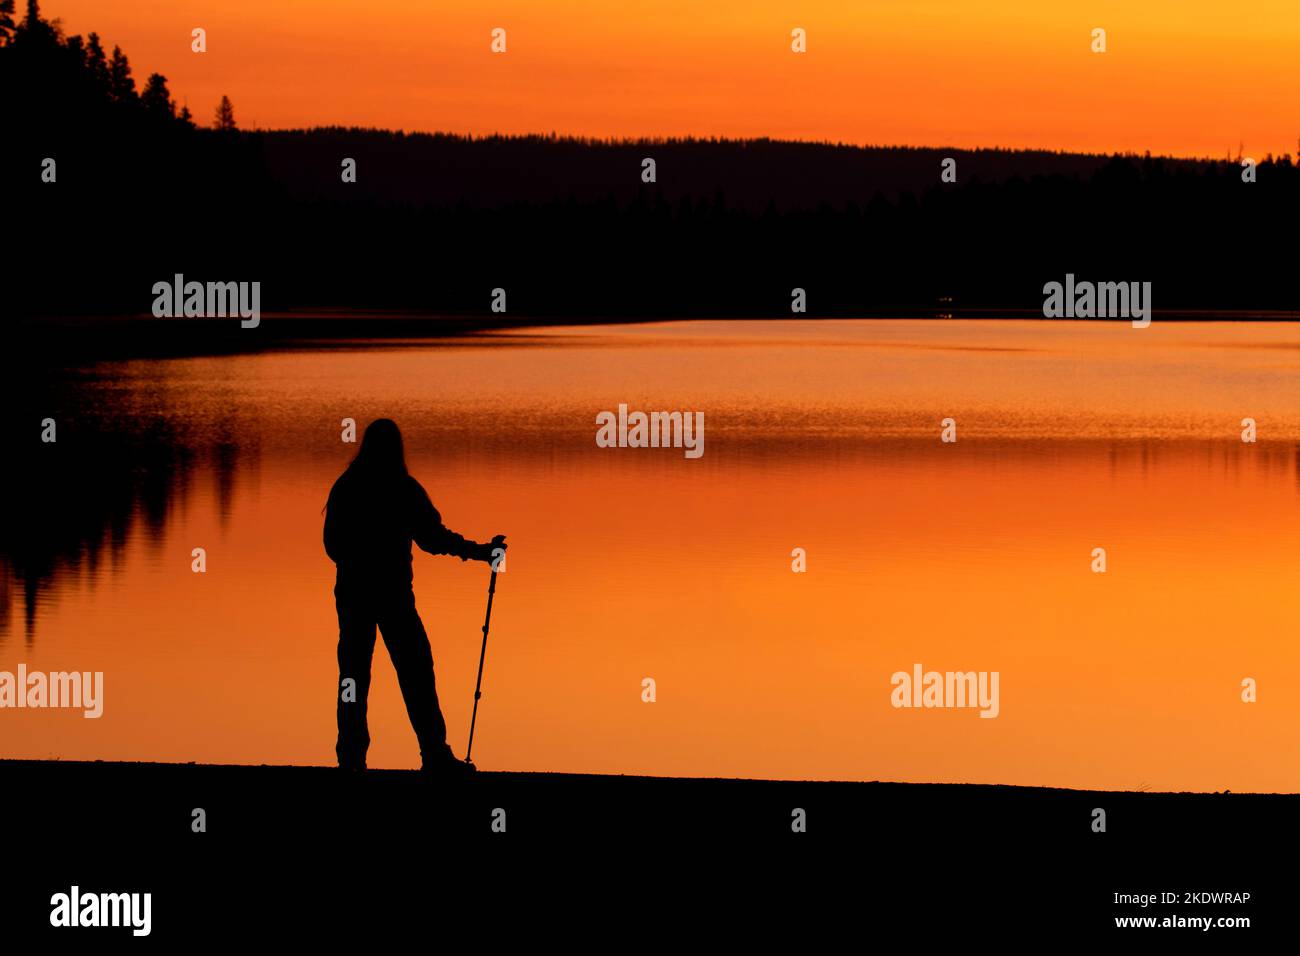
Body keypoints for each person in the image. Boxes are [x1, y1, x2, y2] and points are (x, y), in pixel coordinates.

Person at [323, 418, 506, 774]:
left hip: (355, 595)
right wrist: (481, 553)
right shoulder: (401, 488)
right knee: (414, 671)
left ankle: (352, 759)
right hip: (390, 596)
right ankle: (430, 754)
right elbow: (433, 539)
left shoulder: (348, 487)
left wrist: (481, 552)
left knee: (357, 676)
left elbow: (333, 545)